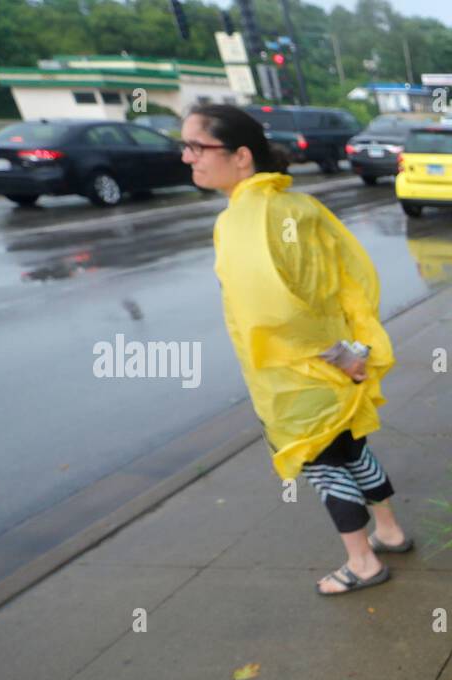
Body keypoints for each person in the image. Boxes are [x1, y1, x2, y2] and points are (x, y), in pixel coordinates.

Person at [182, 104, 411, 596]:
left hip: (299, 377)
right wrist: (358, 349)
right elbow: (357, 277)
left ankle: (363, 562)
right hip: (342, 365)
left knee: (325, 466)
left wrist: (337, 353)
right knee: (353, 448)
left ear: (241, 156)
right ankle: (389, 530)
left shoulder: (242, 221)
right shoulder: (301, 206)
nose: (187, 158)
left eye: (197, 147)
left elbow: (275, 313)